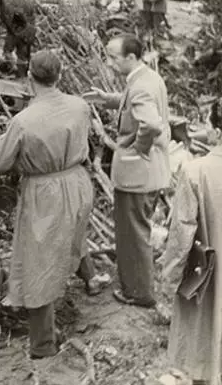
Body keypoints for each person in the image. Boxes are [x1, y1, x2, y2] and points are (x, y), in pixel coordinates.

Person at [0, 50, 108, 359]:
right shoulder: (80, 106)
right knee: (72, 229)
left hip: (45, 190)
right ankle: (92, 277)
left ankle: (42, 344)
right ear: (60, 75)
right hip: (78, 181)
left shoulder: (24, 120)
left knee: (38, 261)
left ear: (29, 77)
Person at [83, 34, 170, 308]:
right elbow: (135, 103)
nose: (109, 64)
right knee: (136, 232)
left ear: (131, 57)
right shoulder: (147, 78)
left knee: (133, 236)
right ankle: (139, 287)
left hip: (137, 175)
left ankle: (139, 293)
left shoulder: (141, 87)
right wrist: (108, 99)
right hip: (149, 173)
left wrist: (138, 148)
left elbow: (152, 125)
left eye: (113, 58)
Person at [158, 97, 222, 385]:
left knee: (205, 349)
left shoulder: (197, 171)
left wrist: (169, 277)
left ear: (216, 130)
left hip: (214, 276)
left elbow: (182, 232)